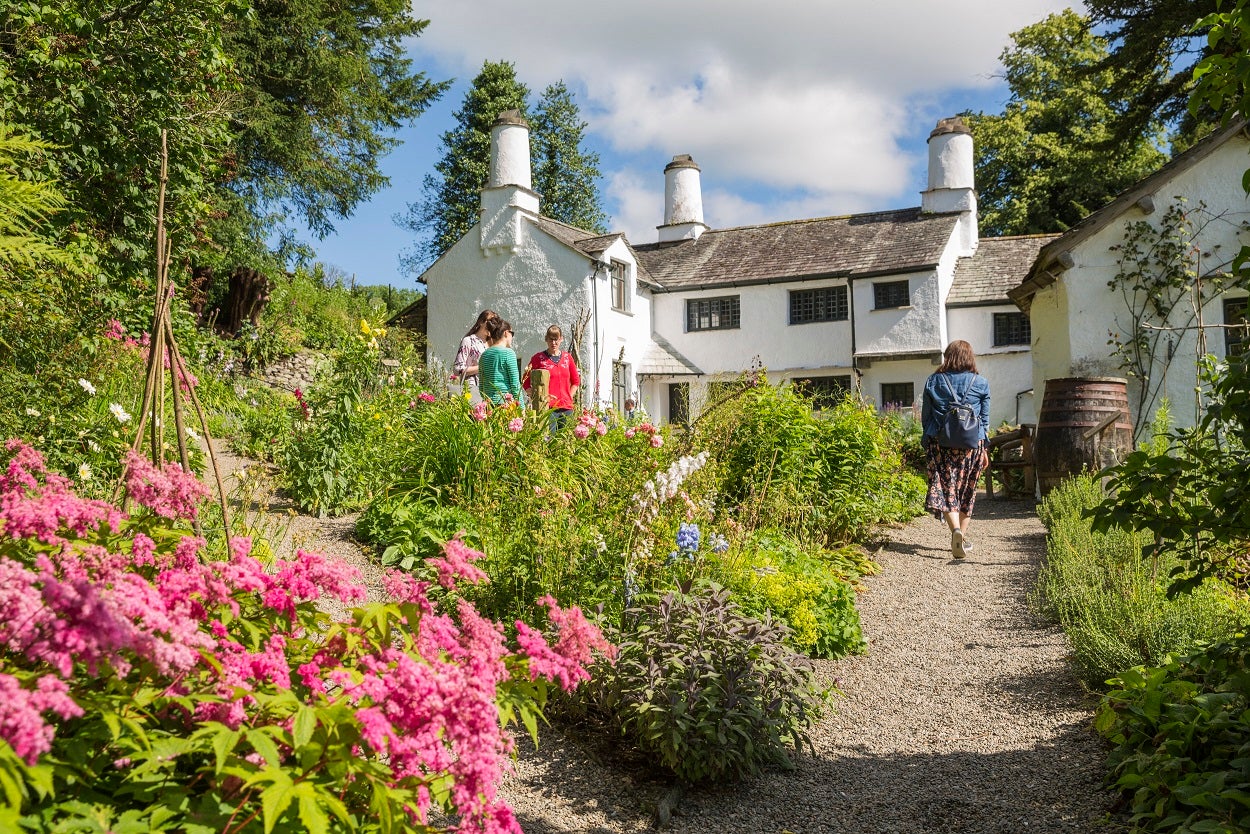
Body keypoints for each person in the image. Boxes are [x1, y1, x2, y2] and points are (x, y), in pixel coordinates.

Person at [920, 340, 990, 559]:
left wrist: (928, 441)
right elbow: (984, 420)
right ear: (970, 357)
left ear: (948, 356)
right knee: (968, 491)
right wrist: (984, 449)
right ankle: (962, 538)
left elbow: (926, 418)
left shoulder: (934, 381)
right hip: (972, 445)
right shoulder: (981, 382)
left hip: (941, 444)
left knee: (946, 488)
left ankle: (956, 532)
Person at [523, 324, 579, 429]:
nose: (553, 343)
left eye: (556, 339)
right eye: (550, 339)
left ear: (561, 339)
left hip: (566, 408)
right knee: (548, 437)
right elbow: (525, 380)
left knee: (565, 437)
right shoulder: (538, 358)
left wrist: (569, 396)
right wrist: (535, 396)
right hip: (548, 408)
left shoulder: (567, 358)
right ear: (546, 339)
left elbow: (576, 381)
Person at [452, 309, 498, 402]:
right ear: (481, 322)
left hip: (491, 392)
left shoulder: (493, 344)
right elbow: (457, 369)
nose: (492, 325)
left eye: (495, 322)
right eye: (490, 321)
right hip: (472, 390)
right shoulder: (469, 341)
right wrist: (481, 367)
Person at [478, 318, 525, 407]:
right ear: (506, 333)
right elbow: (515, 385)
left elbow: (481, 386)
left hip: (488, 405)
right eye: (512, 334)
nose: (512, 337)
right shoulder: (509, 353)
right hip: (505, 405)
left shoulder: (484, 355)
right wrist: (521, 407)